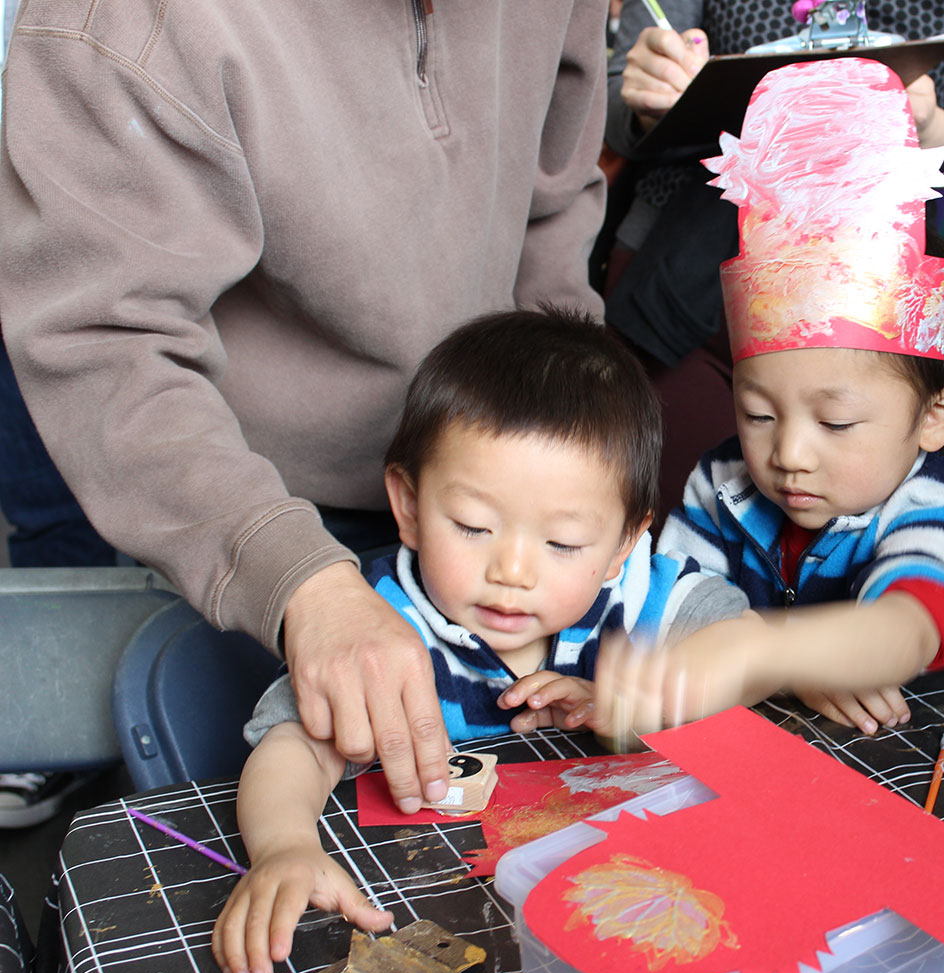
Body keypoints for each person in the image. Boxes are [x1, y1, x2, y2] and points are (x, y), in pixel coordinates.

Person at [0, 2, 610, 816]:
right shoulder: (130, 17)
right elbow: (108, 339)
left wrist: (562, 442)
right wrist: (297, 582)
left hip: (496, 464)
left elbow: (554, 198)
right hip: (253, 506)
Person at [209, 309, 749, 973]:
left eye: (562, 544)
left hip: (617, 908)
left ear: (621, 546)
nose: (513, 572)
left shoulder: (639, 600)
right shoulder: (379, 631)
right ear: (408, 505)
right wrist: (283, 845)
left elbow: (741, 647)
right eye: (472, 526)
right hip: (425, 908)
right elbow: (292, 743)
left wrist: (634, 698)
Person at [603, 59, 944, 740]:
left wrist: (760, 649)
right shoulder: (721, 485)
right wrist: (786, 665)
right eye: (758, 413)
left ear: (935, 418)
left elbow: (909, 627)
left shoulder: (942, 507)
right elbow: (669, 606)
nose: (787, 452)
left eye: (837, 421)